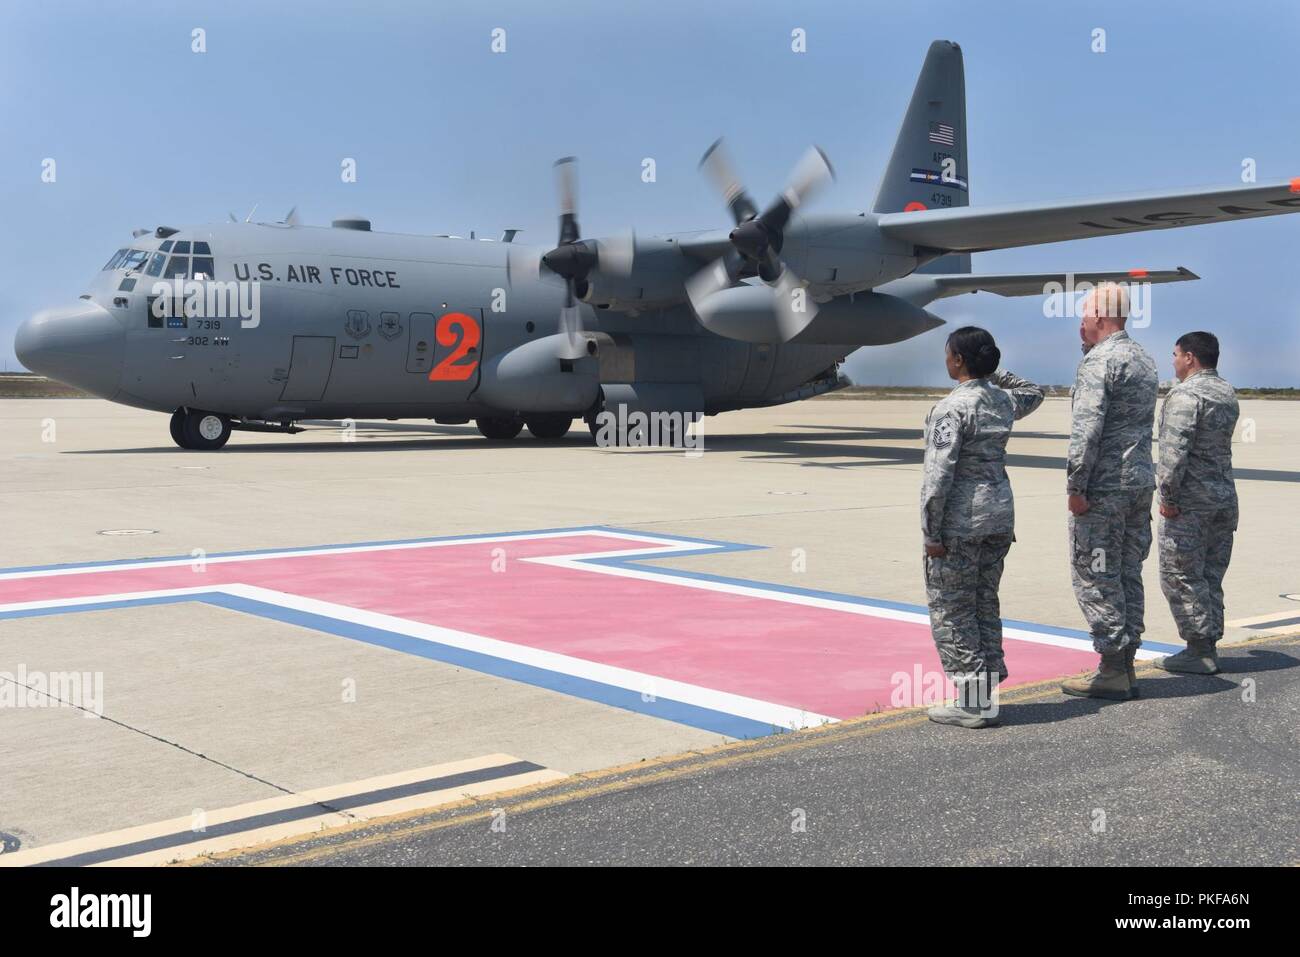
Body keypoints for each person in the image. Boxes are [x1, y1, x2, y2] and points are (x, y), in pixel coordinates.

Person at [920, 326, 1044, 728]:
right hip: (999, 516)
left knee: (953, 609)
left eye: (949, 354)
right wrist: (993, 372)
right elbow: (1034, 391)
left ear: (958, 360)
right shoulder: (1002, 401)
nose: (945, 359)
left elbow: (938, 477)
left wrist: (931, 533)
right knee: (984, 603)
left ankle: (972, 702)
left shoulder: (951, 408)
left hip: (961, 522)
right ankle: (984, 693)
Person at [1060, 283, 1159, 701]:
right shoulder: (1144, 358)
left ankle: (1113, 668)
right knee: (1126, 571)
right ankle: (1126, 662)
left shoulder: (1099, 361)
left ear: (1099, 317)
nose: (1081, 322)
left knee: (1097, 574)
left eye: (1085, 314)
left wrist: (1076, 485)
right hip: (1138, 485)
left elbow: (1087, 430)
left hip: (1103, 488)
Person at [1155, 332, 1239, 675]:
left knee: (1180, 575)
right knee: (1209, 574)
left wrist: (1167, 497)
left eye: (1175, 354)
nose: (1173, 361)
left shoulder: (1185, 395)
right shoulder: (1226, 392)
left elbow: (1174, 453)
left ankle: (1199, 650)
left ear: (1190, 357)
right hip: (1223, 499)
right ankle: (1209, 643)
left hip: (1190, 504)